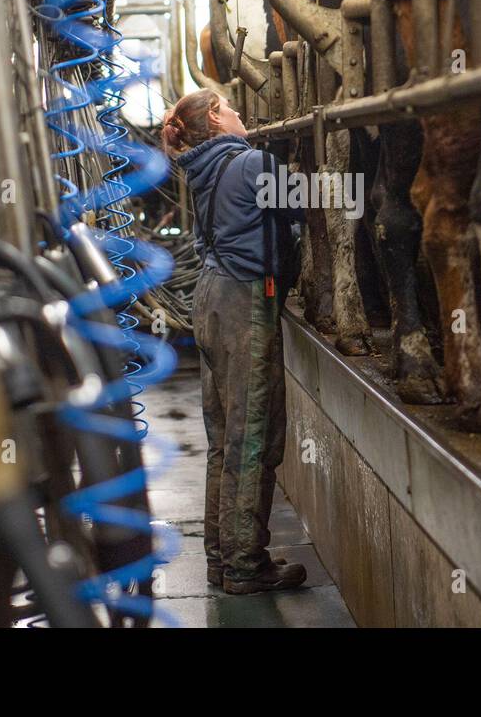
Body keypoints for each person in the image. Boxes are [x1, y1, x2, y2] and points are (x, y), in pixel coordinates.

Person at [162, 89, 307, 595]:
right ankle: (246, 566)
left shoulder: (203, 168)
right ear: (219, 117)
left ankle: (221, 558)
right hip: (245, 302)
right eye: (234, 107)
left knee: (225, 439)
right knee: (253, 437)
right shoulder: (250, 164)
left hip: (210, 298)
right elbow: (319, 204)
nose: (245, 114)